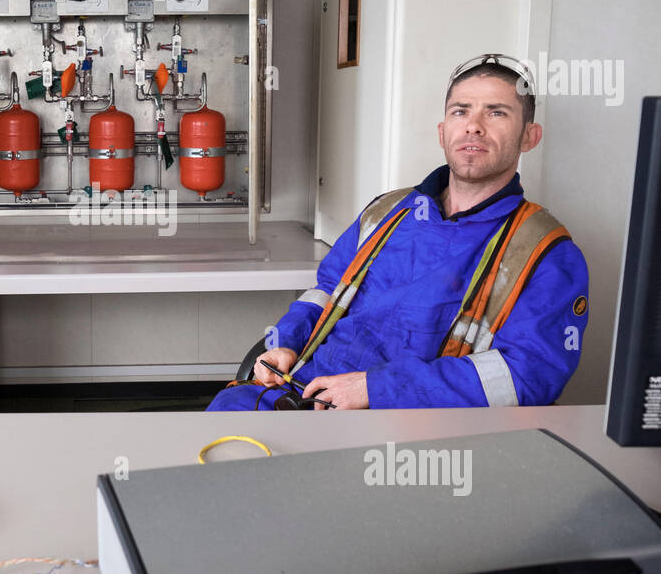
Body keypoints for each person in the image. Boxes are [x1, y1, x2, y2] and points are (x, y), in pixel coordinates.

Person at [207, 54, 589, 411]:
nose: (474, 124)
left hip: (409, 435)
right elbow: (326, 290)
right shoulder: (387, 211)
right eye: (461, 111)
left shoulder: (544, 252)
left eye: (497, 112)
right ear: (443, 132)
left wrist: (376, 390)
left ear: (529, 137)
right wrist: (286, 343)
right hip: (296, 392)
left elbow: (526, 378)